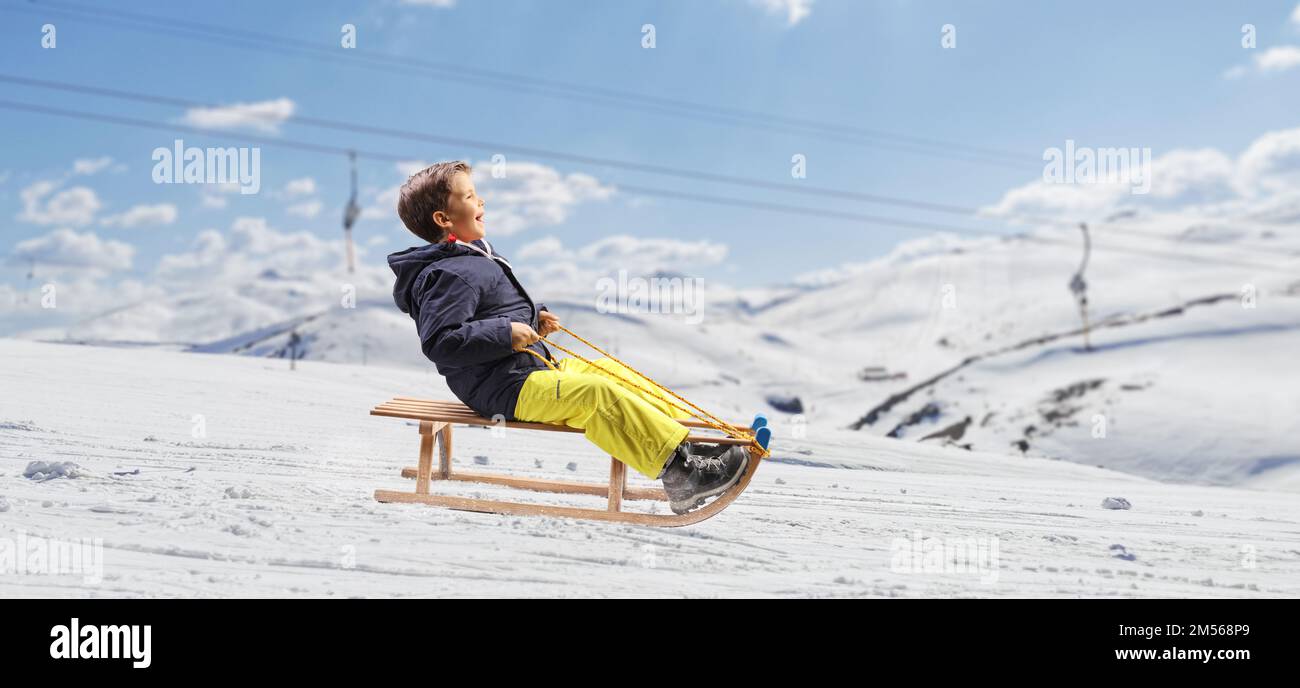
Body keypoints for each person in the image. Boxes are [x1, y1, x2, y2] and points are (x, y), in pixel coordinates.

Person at [388, 161, 747, 514]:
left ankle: (692, 445)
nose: (481, 202)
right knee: (596, 397)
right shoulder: (449, 274)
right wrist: (505, 334)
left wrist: (533, 318)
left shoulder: (475, 256)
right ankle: (682, 475)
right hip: (504, 388)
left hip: (532, 366)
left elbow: (495, 310)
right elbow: (441, 342)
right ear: (444, 219)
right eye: (469, 196)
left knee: (609, 371)